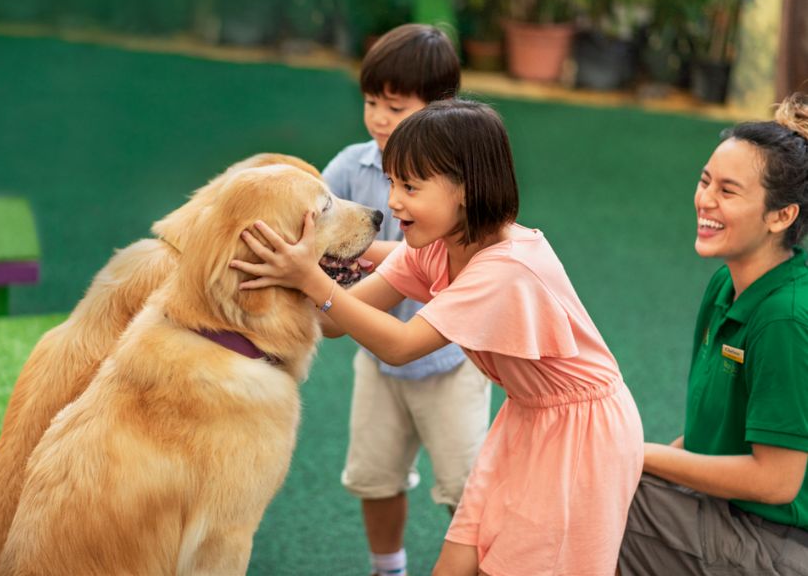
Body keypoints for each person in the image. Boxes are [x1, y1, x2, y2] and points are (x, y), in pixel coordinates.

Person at [231, 98, 645, 575]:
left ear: (466, 190)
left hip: (581, 432)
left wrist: (313, 279)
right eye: (392, 182)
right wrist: (293, 274)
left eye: (410, 185)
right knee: (460, 558)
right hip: (528, 417)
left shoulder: (503, 268)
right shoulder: (439, 246)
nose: (392, 201)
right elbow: (336, 321)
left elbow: (400, 346)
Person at [319, 23, 491, 576]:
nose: (378, 118)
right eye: (371, 102)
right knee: (375, 476)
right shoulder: (350, 167)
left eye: (394, 106)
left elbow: (436, 252)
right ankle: (387, 567)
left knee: (466, 493)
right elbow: (316, 226)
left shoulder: (459, 180)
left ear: (441, 108)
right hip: (377, 361)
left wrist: (356, 259)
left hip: (450, 363)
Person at [618, 93, 808, 575]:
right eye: (705, 181)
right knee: (602, 481)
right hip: (730, 511)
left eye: (728, 190)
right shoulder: (728, 282)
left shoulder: (785, 318)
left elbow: (777, 482)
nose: (705, 199)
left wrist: (639, 456)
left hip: (779, 541)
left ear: (781, 216)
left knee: (603, 502)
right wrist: (631, 462)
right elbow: (711, 435)